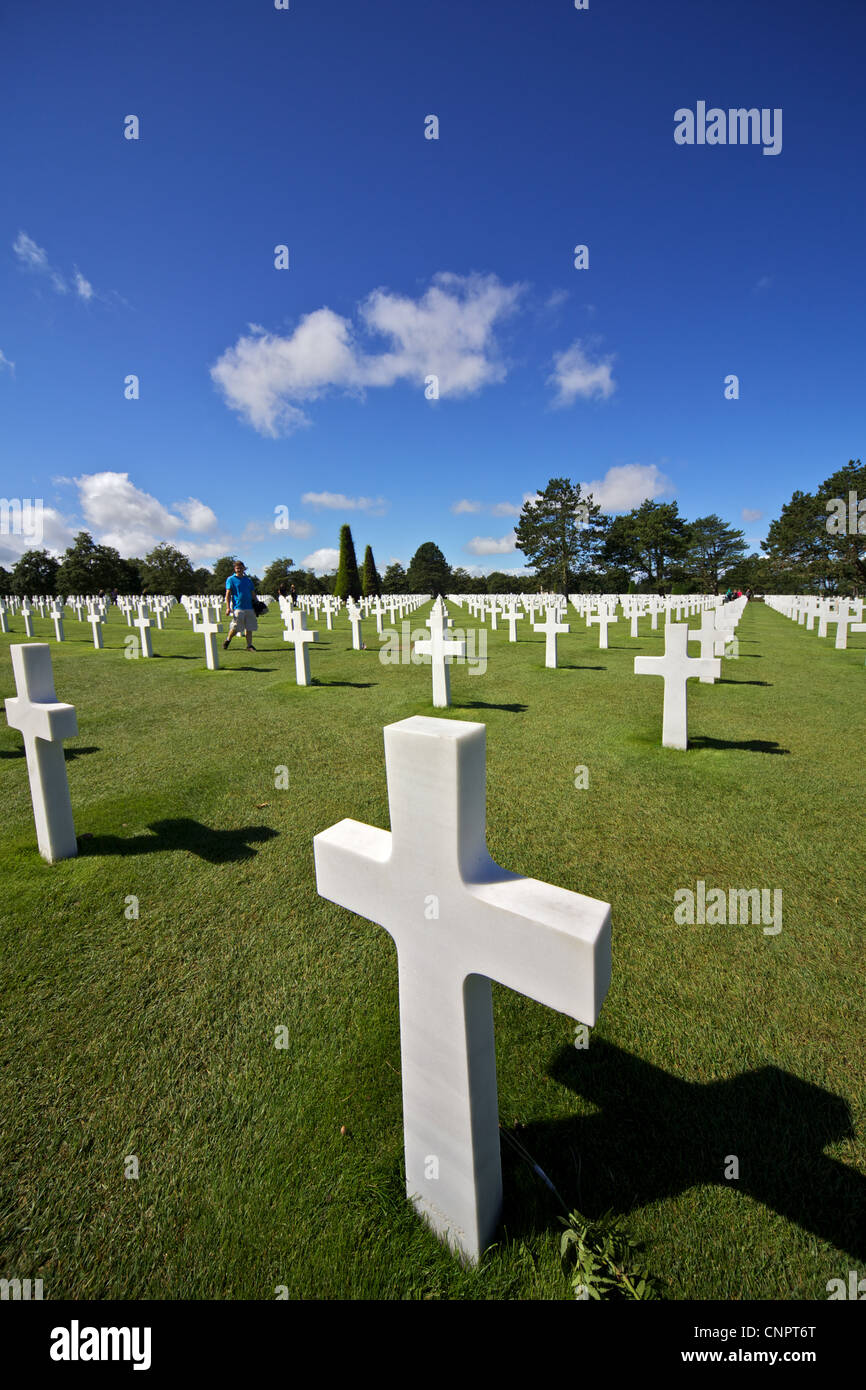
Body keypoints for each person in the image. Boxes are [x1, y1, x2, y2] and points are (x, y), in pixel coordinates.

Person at [223, 560, 258, 651]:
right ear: (235, 569)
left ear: (244, 568)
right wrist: (228, 607)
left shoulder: (248, 580)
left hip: (249, 607)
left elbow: (252, 592)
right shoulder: (231, 579)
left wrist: (257, 603)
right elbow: (228, 594)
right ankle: (228, 639)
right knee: (236, 627)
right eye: (237, 568)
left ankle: (249, 645)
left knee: (249, 628)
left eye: (241, 568)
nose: (239, 570)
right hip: (238, 607)